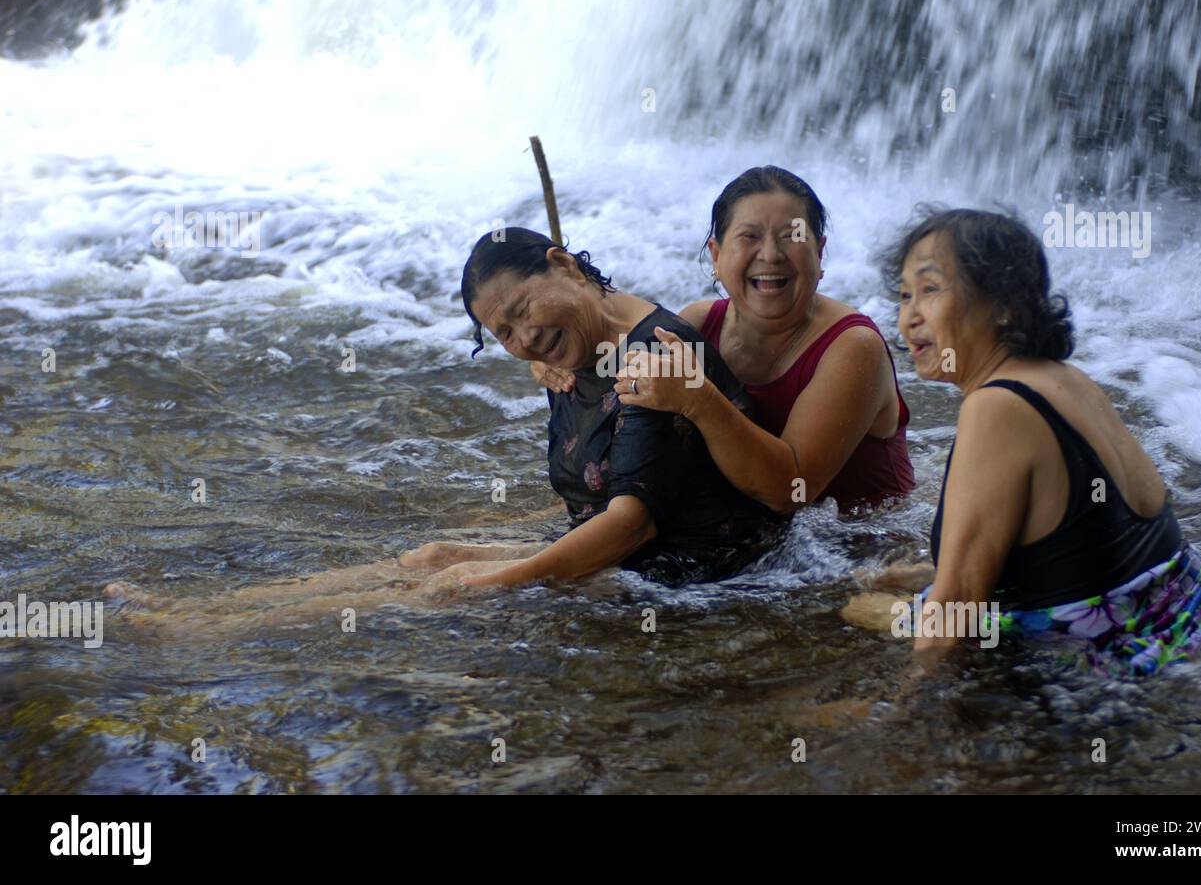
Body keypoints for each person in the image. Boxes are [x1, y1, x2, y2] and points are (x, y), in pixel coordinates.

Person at [106, 228, 782, 630]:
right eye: (503, 333)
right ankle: (197, 608)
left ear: (565, 263)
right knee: (434, 556)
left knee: (451, 588)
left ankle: (208, 633)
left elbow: (632, 522)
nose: (524, 337)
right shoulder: (578, 345)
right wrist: (551, 357)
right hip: (625, 551)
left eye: (523, 309)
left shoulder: (650, 353)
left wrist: (501, 580)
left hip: (696, 572)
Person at [844, 207, 1201, 679]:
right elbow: (1070, 544)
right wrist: (931, 574)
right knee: (888, 584)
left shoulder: (996, 408)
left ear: (1005, 305)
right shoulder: (1067, 379)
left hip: (1097, 661)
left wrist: (906, 725)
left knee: (857, 606)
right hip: (1181, 614)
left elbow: (955, 612)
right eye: (905, 295)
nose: (909, 317)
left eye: (930, 290)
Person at [533, 166, 914, 514]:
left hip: (862, 554)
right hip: (750, 550)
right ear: (716, 255)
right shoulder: (697, 324)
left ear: (819, 252)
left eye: (791, 236)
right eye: (749, 237)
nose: (770, 254)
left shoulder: (853, 346)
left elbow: (790, 491)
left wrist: (699, 400)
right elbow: (620, 402)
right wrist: (557, 351)